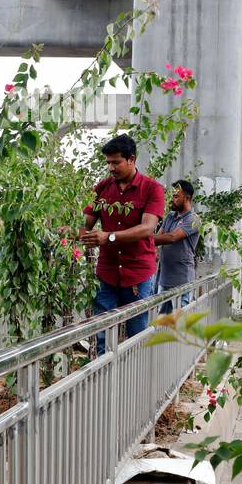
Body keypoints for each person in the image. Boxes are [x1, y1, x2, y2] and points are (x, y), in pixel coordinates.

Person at [79, 134, 164, 354]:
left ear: (131, 159)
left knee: (137, 335)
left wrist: (108, 237)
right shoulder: (102, 188)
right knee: (102, 335)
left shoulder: (152, 189)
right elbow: (84, 224)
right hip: (106, 273)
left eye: (116, 162)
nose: (111, 168)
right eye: (108, 162)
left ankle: (136, 385)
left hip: (138, 274)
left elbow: (147, 228)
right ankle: (105, 385)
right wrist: (74, 232)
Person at [152, 179, 201, 313]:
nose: (172, 199)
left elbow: (172, 237)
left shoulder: (193, 219)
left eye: (176, 196)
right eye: (172, 196)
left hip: (182, 281)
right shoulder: (170, 216)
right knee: (162, 324)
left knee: (180, 324)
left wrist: (141, 238)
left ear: (187, 198)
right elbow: (159, 236)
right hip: (164, 279)